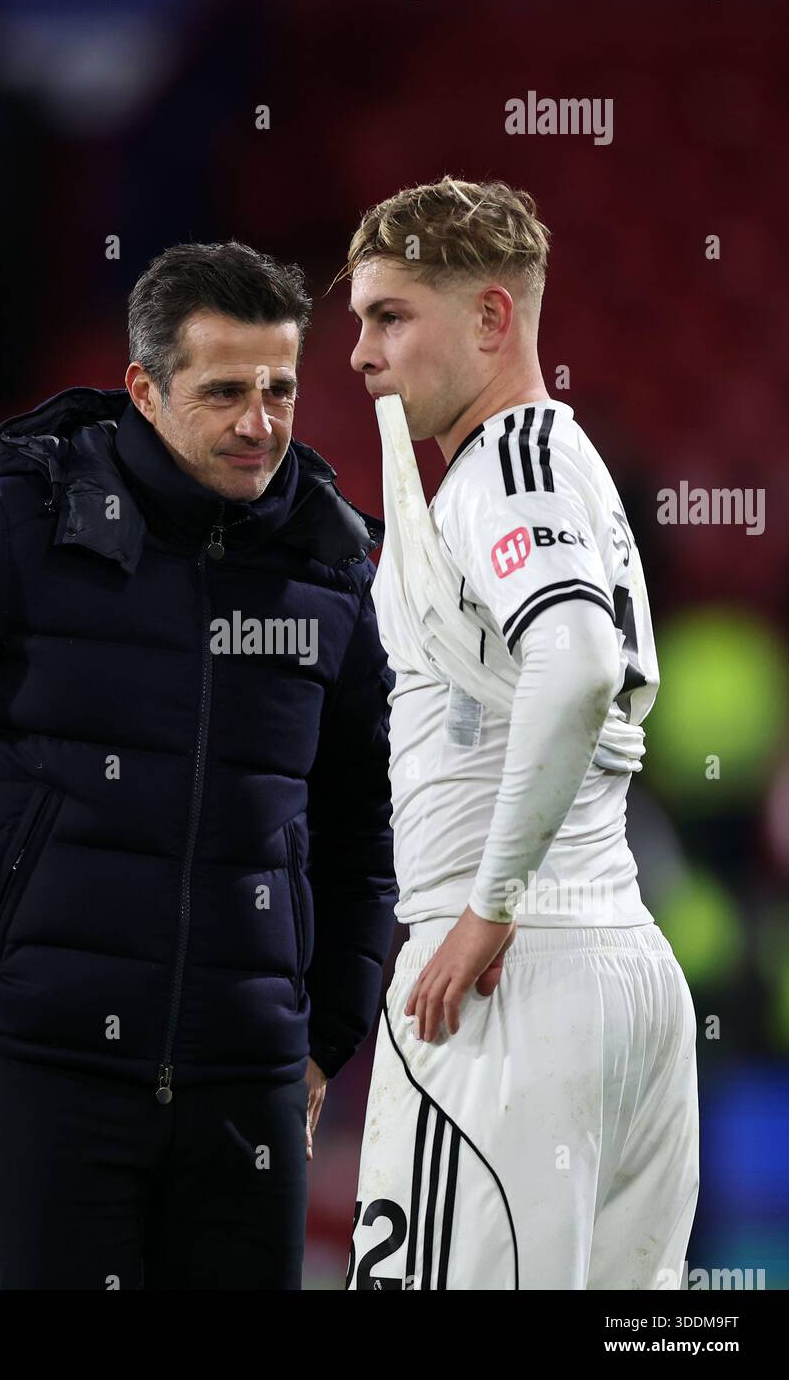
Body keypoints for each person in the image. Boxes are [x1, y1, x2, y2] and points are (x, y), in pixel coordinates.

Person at [0, 240, 397, 1290]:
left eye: (280, 389)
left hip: (246, 1088)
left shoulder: (329, 572)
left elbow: (365, 823)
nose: (261, 423)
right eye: (225, 391)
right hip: (44, 1074)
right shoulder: (21, 531)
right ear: (145, 391)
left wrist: (326, 1033)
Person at [341, 177, 699, 1290]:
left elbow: (579, 662)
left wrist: (487, 907)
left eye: (389, 316)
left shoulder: (510, 466)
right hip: (603, 959)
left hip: (511, 973)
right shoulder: (556, 470)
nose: (358, 354)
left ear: (491, 319)